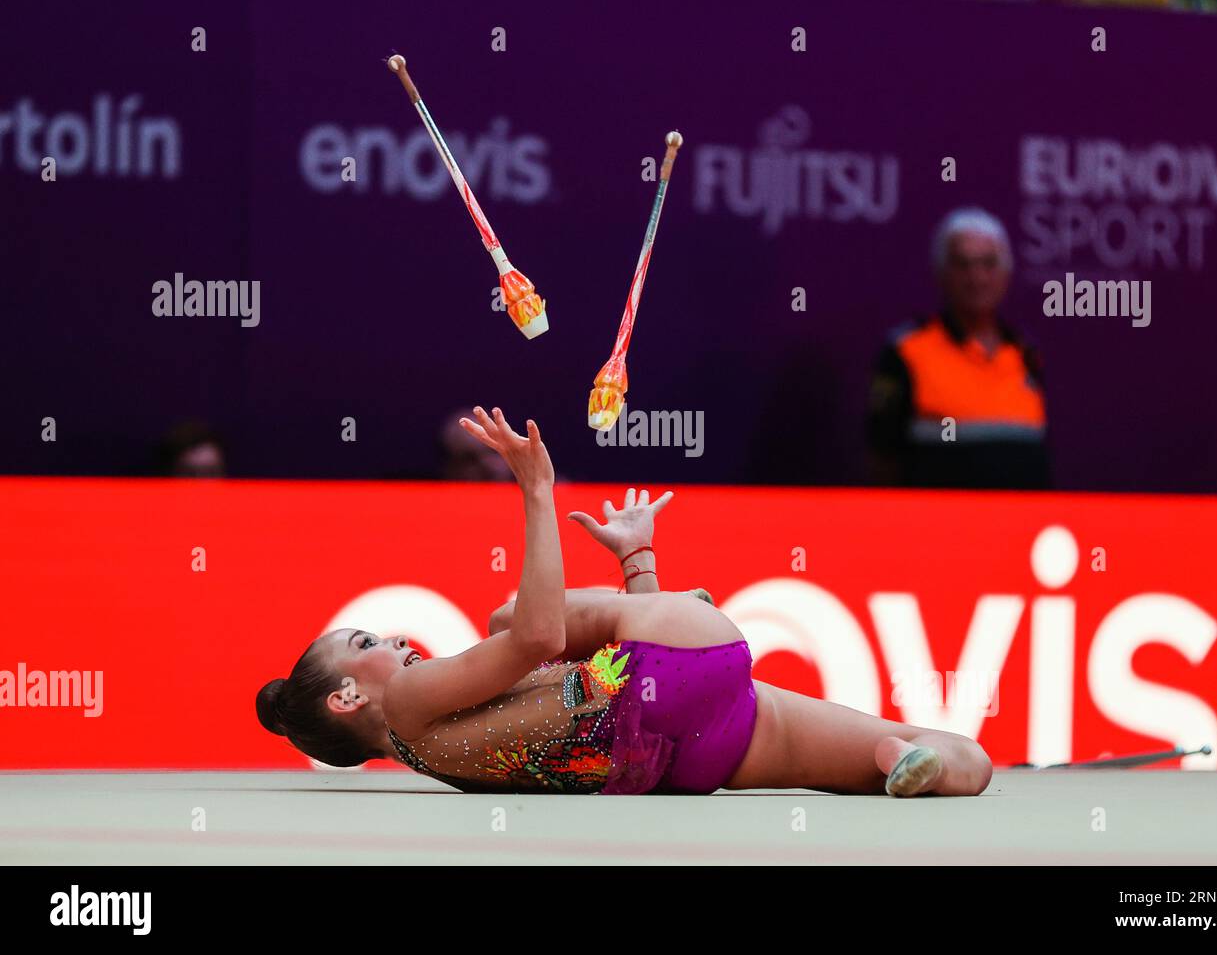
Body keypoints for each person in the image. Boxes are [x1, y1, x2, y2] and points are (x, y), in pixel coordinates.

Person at [257, 406, 992, 797]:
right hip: (682, 678)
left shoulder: (431, 753)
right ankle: (901, 755)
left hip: (682, 754)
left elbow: (625, 694)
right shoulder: (412, 701)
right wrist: (538, 490)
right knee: (507, 622)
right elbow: (540, 635)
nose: (387, 639)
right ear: (348, 699)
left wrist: (641, 581)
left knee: (961, 757)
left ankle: (900, 762)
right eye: (363, 646)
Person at [867, 208, 1050, 489]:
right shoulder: (908, 350)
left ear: (1006, 273)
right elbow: (883, 458)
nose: (976, 278)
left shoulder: (1025, 353)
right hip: (934, 527)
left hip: (1019, 528)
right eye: (962, 264)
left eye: (988, 264)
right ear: (941, 272)